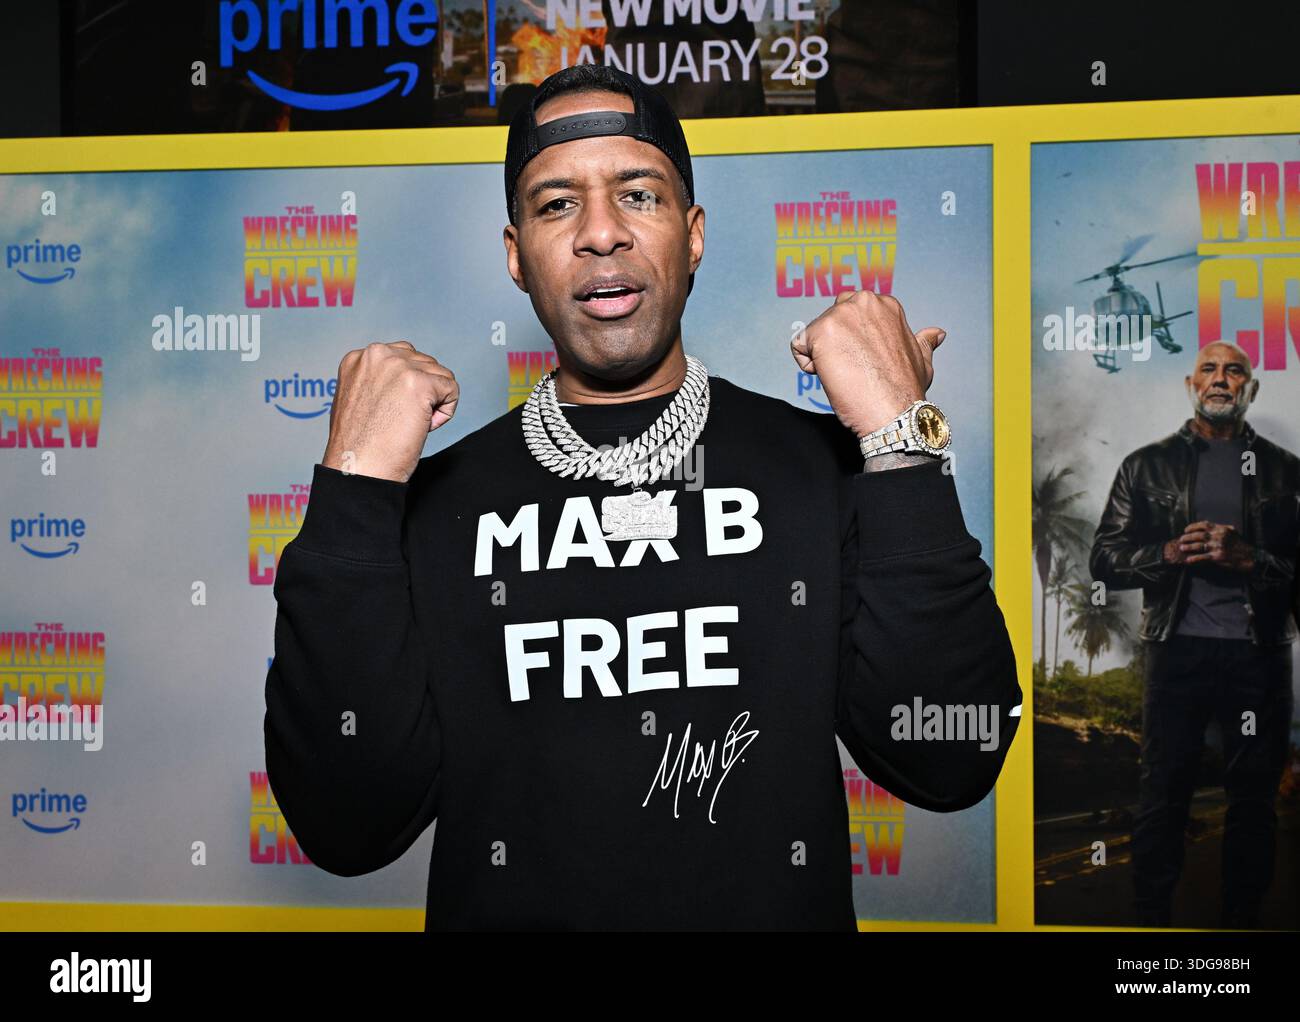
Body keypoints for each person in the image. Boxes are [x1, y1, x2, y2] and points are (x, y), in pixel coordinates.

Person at [263, 64, 1021, 931]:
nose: (601, 235)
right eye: (556, 205)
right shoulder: (432, 503)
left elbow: (953, 755)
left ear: (692, 236)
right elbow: (345, 824)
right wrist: (353, 494)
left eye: (638, 194)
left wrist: (899, 439)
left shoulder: (824, 468)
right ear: (515, 256)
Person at [1091, 340, 1300, 929]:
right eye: (1209, 368)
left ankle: (1243, 923)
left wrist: (1250, 559)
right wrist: (1169, 551)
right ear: (1191, 383)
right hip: (1177, 651)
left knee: (1254, 801)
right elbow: (1104, 558)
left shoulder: (1286, 471)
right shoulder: (1145, 464)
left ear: (1250, 388)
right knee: (1162, 793)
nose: (1221, 379)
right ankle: (1149, 921)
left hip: (1259, 656)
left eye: (1235, 371)